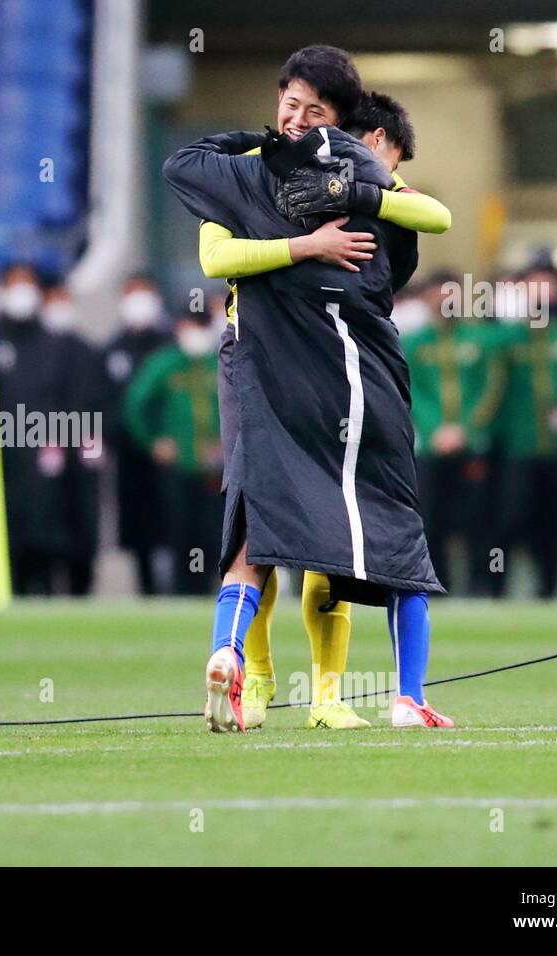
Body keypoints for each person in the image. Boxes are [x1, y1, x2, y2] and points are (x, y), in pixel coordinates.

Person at [165, 54, 454, 732]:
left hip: (311, 364)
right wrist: (310, 243)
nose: (296, 118)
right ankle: (277, 682)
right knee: (353, 523)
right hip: (285, 365)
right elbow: (217, 260)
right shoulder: (252, 167)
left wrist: (354, 197)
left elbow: (429, 214)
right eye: (290, 103)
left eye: (314, 111)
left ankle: (280, 682)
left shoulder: (326, 176)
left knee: (280, 528)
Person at [492, 264, 557, 598]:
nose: (541, 292)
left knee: (555, 521)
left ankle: (549, 588)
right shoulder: (506, 339)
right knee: (509, 517)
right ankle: (496, 586)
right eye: (534, 285)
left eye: (548, 285)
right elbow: (491, 388)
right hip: (517, 445)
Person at [402, 272, 507, 594]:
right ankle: (436, 582)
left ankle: (482, 583)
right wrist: (436, 429)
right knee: (431, 517)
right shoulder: (413, 343)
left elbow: (492, 389)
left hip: (471, 443)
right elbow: (410, 390)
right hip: (430, 446)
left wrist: (465, 428)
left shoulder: (481, 341)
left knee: (477, 516)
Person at [122, 310, 223, 595]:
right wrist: (154, 441)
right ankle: (181, 588)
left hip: (215, 467)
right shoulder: (164, 364)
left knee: (213, 530)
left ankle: (209, 587)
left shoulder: (219, 361)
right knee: (179, 530)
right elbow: (134, 406)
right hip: (179, 464)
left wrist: (230, 442)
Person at [0, 263, 71, 594]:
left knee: (47, 524)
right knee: (7, 526)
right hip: (2, 452)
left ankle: (45, 586)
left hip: (44, 449)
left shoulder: (53, 344)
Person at [101, 275, 172, 594]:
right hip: (130, 455)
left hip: (172, 455)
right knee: (138, 526)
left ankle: (183, 586)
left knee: (176, 525)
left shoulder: (169, 346)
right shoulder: (112, 349)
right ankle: (147, 588)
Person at [41, 280, 107, 594]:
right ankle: (45, 582)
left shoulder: (86, 350)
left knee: (84, 516)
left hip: (82, 448)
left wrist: (96, 434)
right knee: (47, 516)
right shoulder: (36, 347)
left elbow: (99, 397)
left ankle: (83, 583)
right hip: (41, 446)